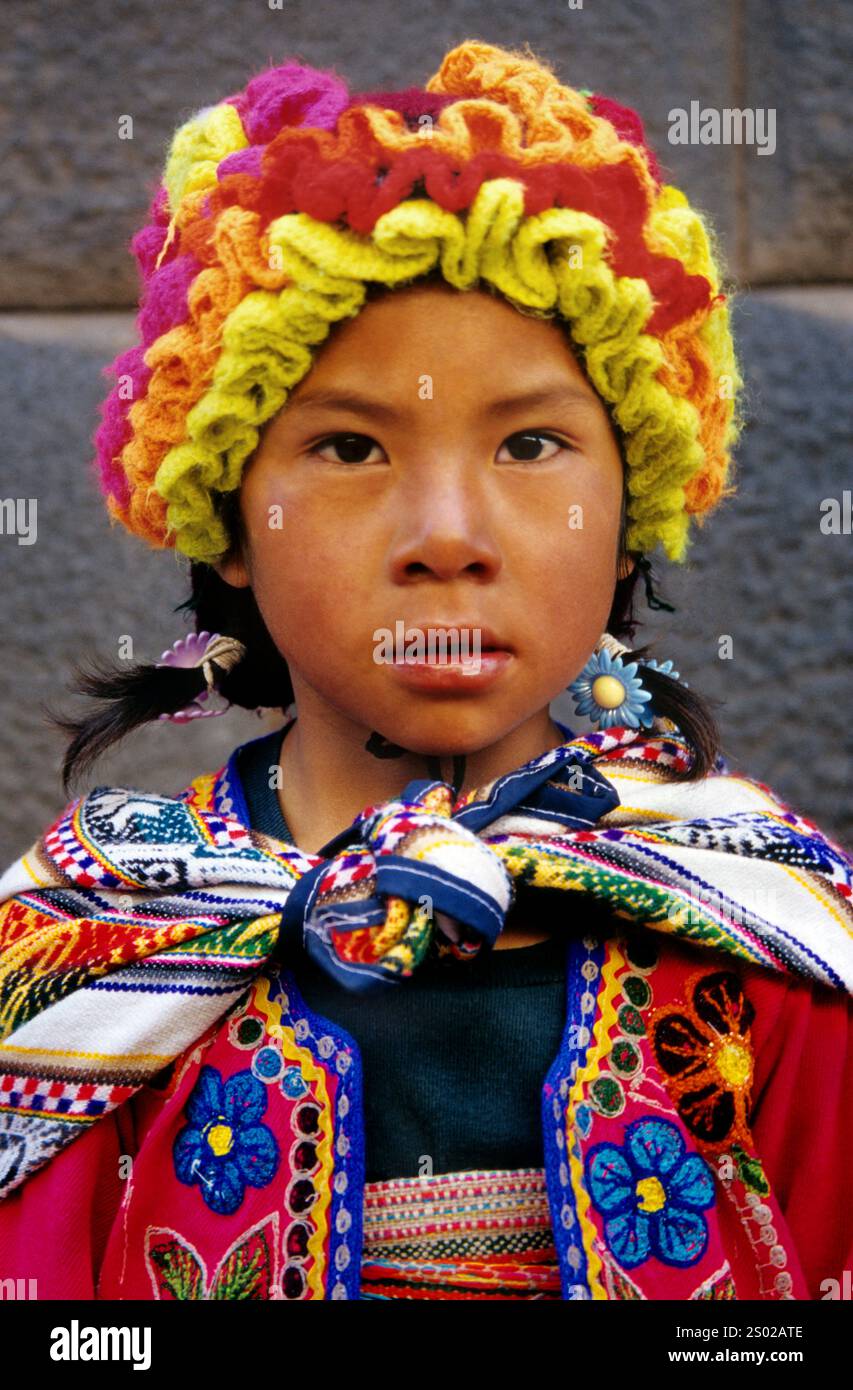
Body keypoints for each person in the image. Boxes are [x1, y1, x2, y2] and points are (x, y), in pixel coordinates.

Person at [0, 39, 850, 1303]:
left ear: (634, 506)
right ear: (226, 520)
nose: (447, 534)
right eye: (349, 445)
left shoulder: (780, 950)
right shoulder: (83, 955)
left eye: (531, 442)